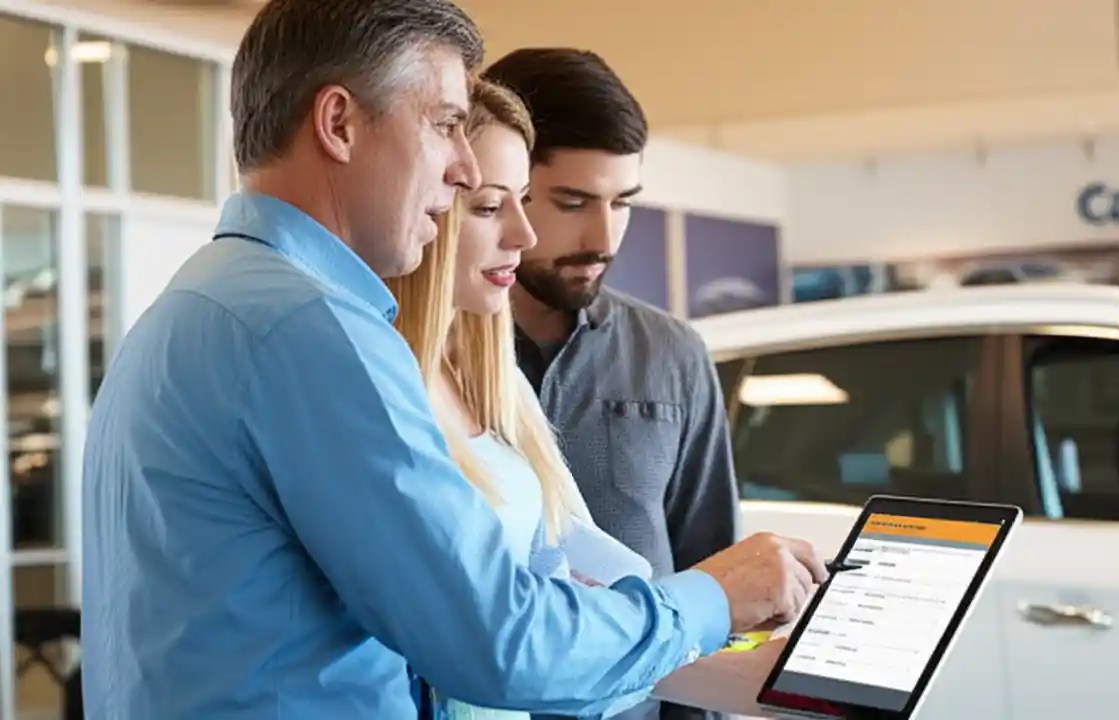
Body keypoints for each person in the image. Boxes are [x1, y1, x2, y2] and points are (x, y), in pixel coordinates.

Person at [80, 2, 825, 718]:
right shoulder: (311, 331)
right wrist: (713, 596)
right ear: (338, 122)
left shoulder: (197, 308)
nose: (462, 167)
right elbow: (500, 644)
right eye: (444, 126)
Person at [386, 79, 784, 720]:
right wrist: (714, 609)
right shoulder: (367, 384)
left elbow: (576, 590)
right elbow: (498, 643)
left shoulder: (497, 380)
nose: (522, 234)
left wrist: (750, 678)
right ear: (427, 200)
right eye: (491, 207)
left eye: (622, 203)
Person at [483, 48, 743, 720]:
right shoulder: (422, 358)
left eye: (622, 203)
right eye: (572, 203)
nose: (603, 237)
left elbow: (712, 576)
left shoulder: (673, 355)